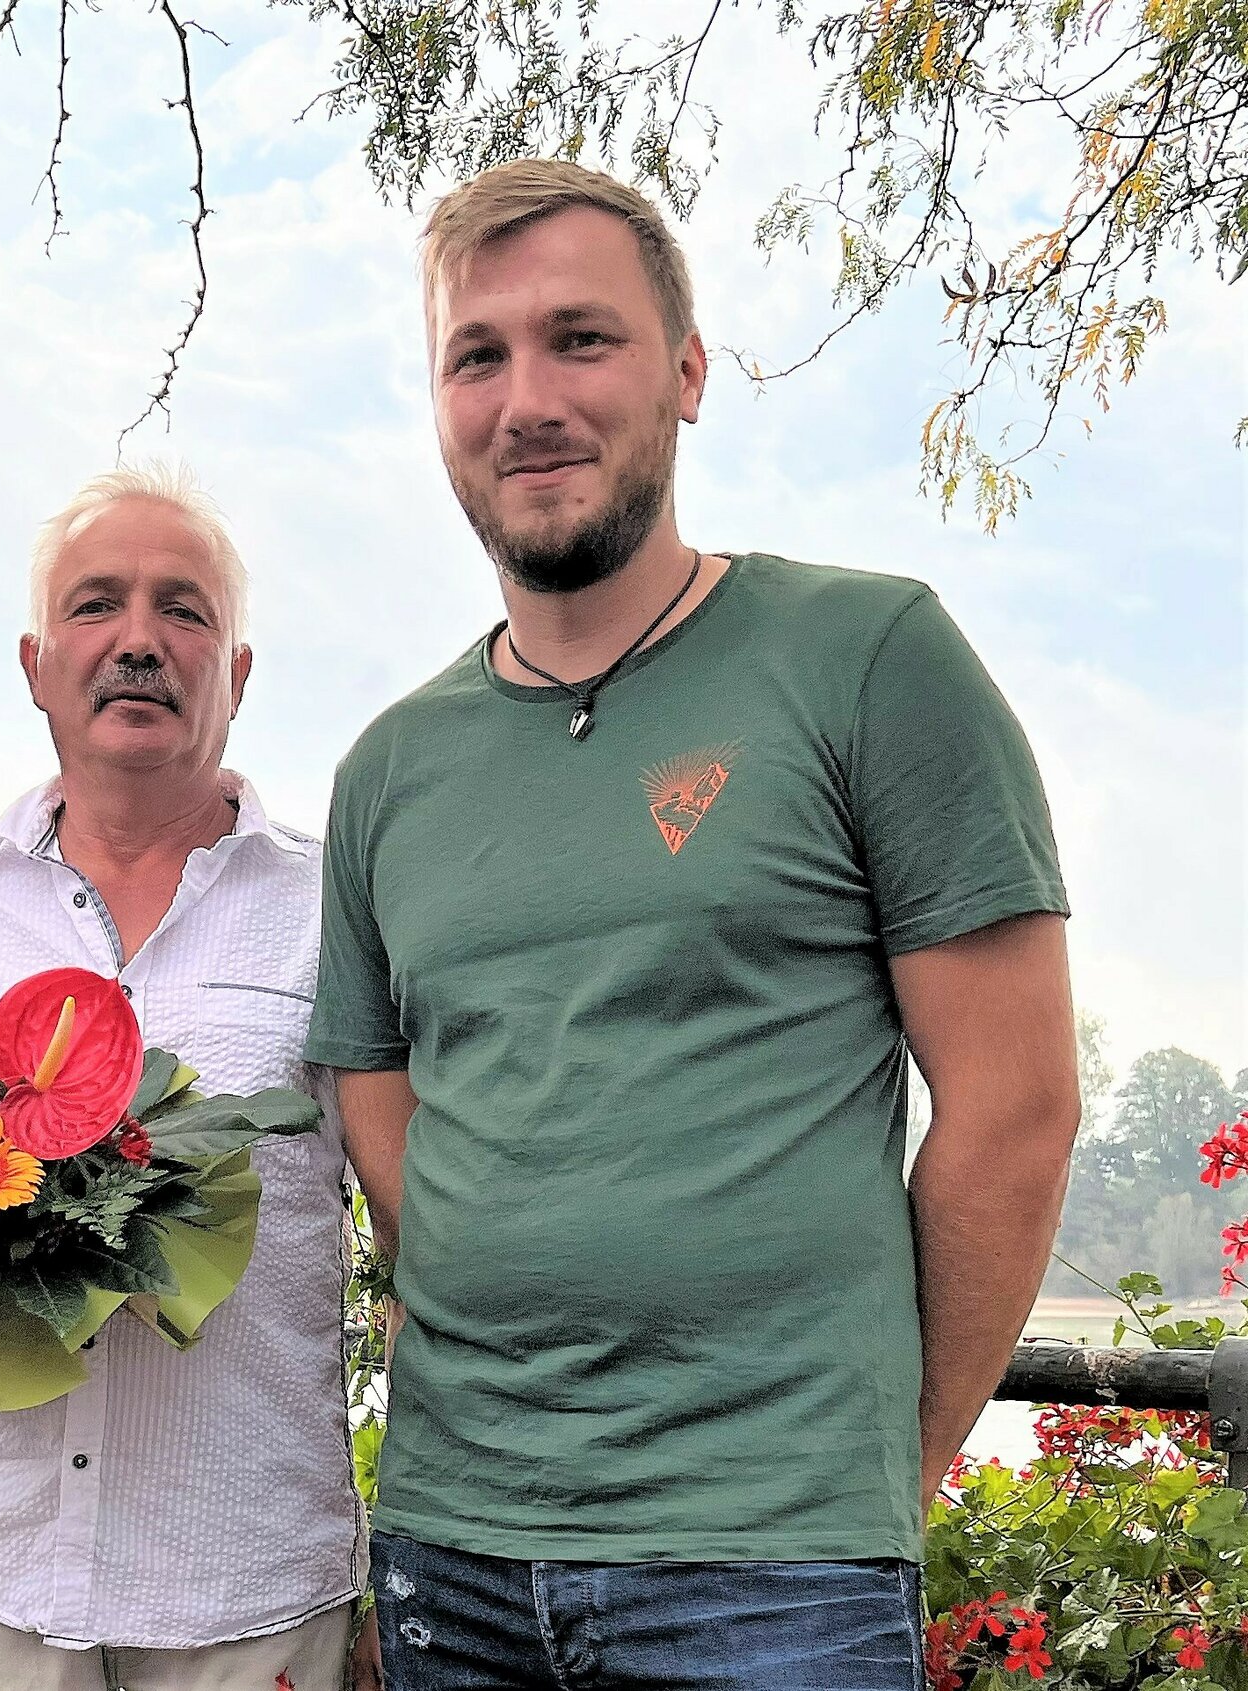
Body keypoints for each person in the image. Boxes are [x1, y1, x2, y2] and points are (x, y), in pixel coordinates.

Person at [304, 159, 1080, 1690]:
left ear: (689, 371)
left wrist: (884, 1472)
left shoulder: (868, 658)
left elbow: (1017, 1107)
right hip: (452, 1551)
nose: (528, 395)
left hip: (773, 1571)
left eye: (580, 338)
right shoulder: (390, 767)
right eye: (480, 354)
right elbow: (381, 1110)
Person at [0, 462, 372, 1690]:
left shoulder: (335, 910)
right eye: (98, 604)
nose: (138, 639)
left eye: (183, 610)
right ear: (35, 664)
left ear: (235, 675)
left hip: (246, 1588)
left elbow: (414, 1225)